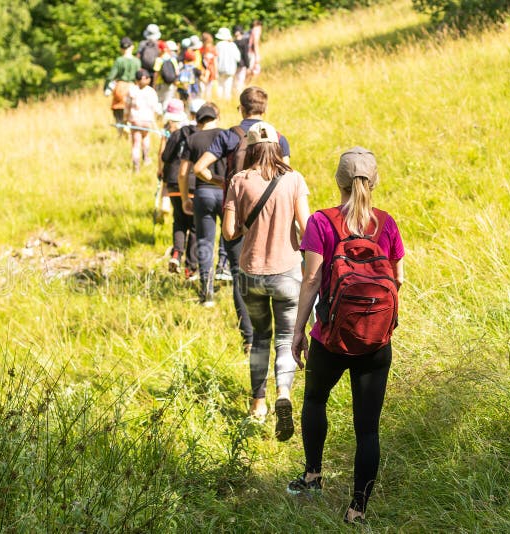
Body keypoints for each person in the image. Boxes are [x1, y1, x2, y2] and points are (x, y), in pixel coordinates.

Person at [287, 148, 405, 524]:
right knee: (367, 429)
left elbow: (311, 279)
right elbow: (398, 279)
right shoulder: (387, 224)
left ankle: (312, 476)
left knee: (315, 401)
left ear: (338, 181)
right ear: (374, 182)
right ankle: (357, 509)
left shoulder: (322, 222)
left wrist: (299, 331)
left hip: (330, 337)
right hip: (376, 341)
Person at [222, 121, 310, 437]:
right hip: (287, 273)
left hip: (251, 275)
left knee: (261, 337)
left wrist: (249, 229)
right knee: (286, 339)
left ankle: (258, 403)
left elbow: (229, 232)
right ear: (276, 146)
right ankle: (283, 394)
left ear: (251, 148)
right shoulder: (294, 179)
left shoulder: (238, 180)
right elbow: (307, 229)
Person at [194, 86, 291, 354]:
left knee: (241, 275)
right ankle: (281, 338)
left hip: (237, 217)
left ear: (241, 108)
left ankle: (250, 338)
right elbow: (287, 174)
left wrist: (221, 182)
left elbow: (199, 168)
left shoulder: (229, 135)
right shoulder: (278, 138)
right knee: (276, 269)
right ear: (265, 109)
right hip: (272, 216)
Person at [179, 103, 224, 306]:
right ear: (216, 118)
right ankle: (227, 270)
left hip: (202, 192)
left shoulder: (192, 139)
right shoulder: (226, 135)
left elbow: (182, 173)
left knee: (205, 241)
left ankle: (207, 293)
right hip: (225, 192)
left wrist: (184, 198)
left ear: (198, 120)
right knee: (231, 238)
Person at [159, 98, 199, 279]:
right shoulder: (200, 135)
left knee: (179, 221)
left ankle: (176, 254)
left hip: (174, 184)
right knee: (195, 227)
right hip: (193, 185)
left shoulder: (176, 133)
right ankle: (190, 268)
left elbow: (165, 156)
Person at [104, 37, 141, 135]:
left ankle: (120, 132)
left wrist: (106, 88)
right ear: (132, 47)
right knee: (131, 111)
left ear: (121, 48)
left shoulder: (119, 60)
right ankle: (129, 128)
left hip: (120, 87)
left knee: (118, 111)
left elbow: (111, 76)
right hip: (133, 87)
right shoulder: (137, 61)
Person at [125, 69, 159, 172]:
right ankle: (146, 157)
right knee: (146, 138)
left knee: (136, 143)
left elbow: (127, 107)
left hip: (135, 120)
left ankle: (136, 165)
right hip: (147, 120)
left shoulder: (132, 91)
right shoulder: (151, 91)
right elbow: (155, 108)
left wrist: (125, 119)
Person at [214, 27, 241, 100]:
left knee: (220, 86)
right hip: (230, 70)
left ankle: (219, 101)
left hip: (220, 69)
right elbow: (238, 58)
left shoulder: (218, 45)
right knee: (228, 87)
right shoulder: (232, 45)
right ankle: (227, 101)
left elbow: (215, 58)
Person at [153, 41, 179, 112]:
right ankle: (166, 117)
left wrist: (154, 85)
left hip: (160, 84)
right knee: (167, 101)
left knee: (159, 101)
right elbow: (177, 72)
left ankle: (159, 118)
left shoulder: (158, 60)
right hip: (170, 84)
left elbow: (156, 74)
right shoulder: (173, 59)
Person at [233, 25, 250, 96]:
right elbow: (245, 55)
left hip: (234, 64)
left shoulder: (233, 43)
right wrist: (248, 65)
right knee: (240, 80)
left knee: (235, 80)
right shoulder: (244, 42)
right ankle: (239, 94)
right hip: (242, 64)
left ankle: (235, 93)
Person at [200, 33, 217, 99]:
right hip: (203, 71)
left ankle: (207, 100)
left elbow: (215, 62)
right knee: (203, 89)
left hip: (210, 70)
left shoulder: (212, 49)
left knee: (208, 89)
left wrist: (216, 72)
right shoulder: (201, 49)